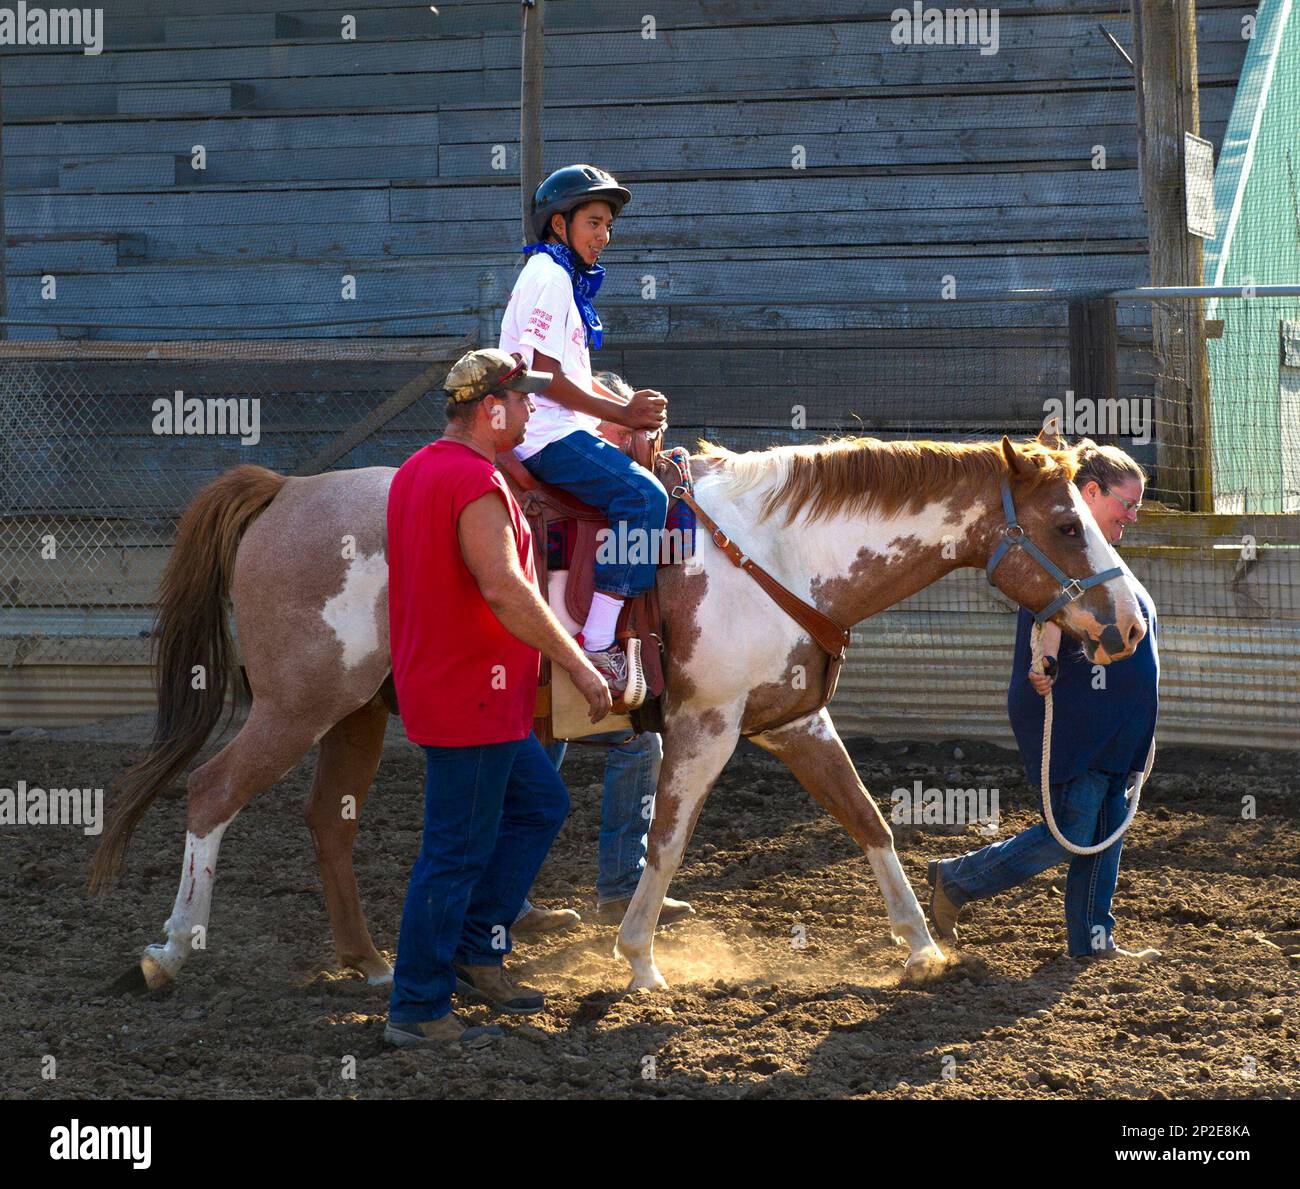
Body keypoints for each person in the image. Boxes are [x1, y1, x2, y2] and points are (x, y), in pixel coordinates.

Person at [383, 348, 612, 1050]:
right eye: (522, 401)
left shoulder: (418, 472)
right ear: (491, 409)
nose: (531, 410)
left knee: (541, 804)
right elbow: (505, 588)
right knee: (453, 850)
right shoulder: (477, 484)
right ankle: (418, 1004)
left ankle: (479, 950)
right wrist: (577, 660)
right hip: (471, 703)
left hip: (460, 694)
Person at [926, 440, 1161, 963]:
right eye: (1128, 503)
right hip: (1078, 723)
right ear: (1092, 493)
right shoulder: (1064, 559)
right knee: (1070, 831)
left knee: (1104, 835)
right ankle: (956, 881)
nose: (1134, 516)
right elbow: (1048, 617)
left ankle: (1093, 941)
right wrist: (1044, 660)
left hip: (1114, 730)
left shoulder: (1103, 562)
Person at [512, 369, 694, 935]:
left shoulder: (593, 499)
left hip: (565, 660)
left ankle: (609, 889)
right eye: (612, 430)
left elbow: (675, 550)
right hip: (556, 657)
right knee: (562, 749)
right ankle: (594, 891)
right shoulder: (564, 498)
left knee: (635, 743)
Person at [498, 163, 669, 698]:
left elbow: (572, 374)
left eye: (608, 226)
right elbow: (545, 379)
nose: (604, 236)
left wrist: (625, 407)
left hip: (555, 426)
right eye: (594, 221)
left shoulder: (559, 277)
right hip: (543, 436)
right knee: (645, 498)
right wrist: (624, 416)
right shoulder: (549, 276)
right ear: (558, 225)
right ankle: (600, 647)